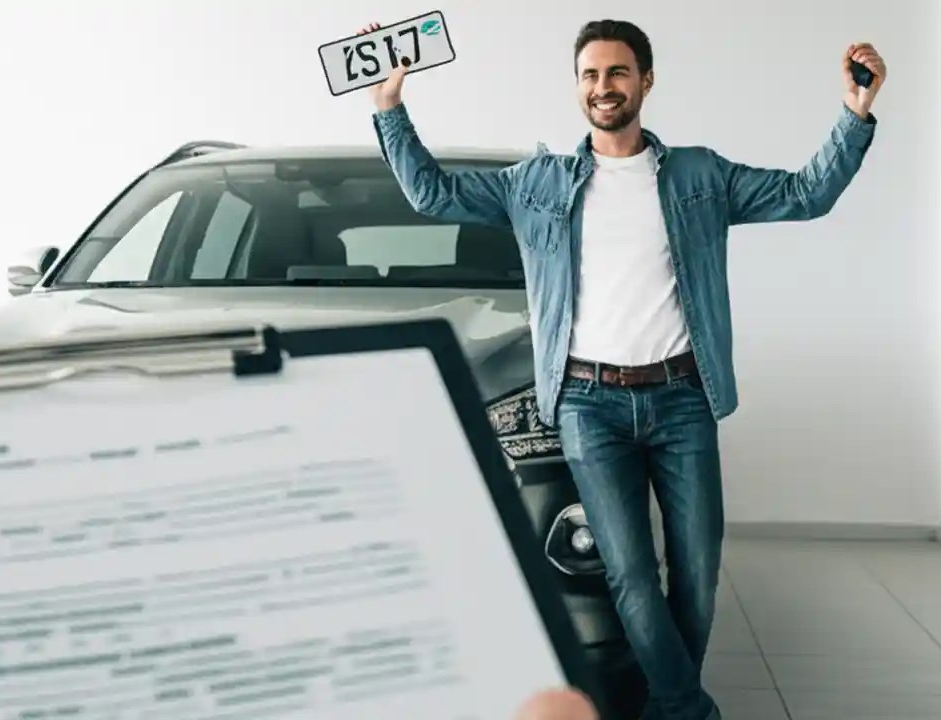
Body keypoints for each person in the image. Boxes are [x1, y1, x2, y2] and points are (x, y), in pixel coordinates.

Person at [359, 18, 885, 720]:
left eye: (616, 72)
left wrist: (855, 112)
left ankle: (668, 705)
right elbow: (432, 194)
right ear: (576, 86)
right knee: (631, 574)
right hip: (588, 403)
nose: (602, 87)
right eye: (589, 74)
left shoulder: (700, 176)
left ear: (645, 80)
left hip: (682, 398)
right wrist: (389, 105)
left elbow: (805, 194)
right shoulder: (535, 183)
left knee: (696, 576)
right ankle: (684, 710)